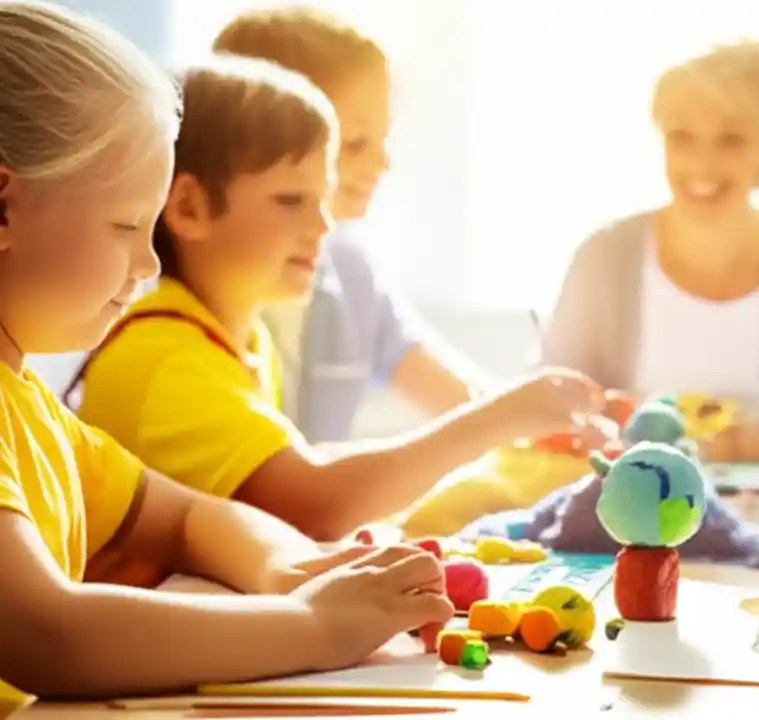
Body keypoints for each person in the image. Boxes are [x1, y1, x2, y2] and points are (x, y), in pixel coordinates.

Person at [0, 1, 450, 711]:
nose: (149, 263)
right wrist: (313, 624)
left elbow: (188, 520)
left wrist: (293, 570)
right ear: (3, 208)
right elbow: (46, 634)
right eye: (125, 225)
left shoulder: (30, 413)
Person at [70, 56, 603, 550]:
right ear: (189, 207)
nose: (323, 224)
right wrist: (497, 419)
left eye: (323, 199)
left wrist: (505, 429)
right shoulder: (167, 357)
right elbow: (316, 506)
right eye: (290, 200)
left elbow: (292, 470)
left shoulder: (235, 336)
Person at [541, 39, 759, 462]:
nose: (702, 164)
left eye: (731, 140)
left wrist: (722, 447)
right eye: (681, 137)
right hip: (621, 501)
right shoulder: (602, 256)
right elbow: (555, 411)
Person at [211, 6, 487, 444]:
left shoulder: (351, 278)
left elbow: (467, 399)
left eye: (383, 138)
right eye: (355, 143)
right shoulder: (201, 290)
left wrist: (537, 416)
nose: (383, 163)